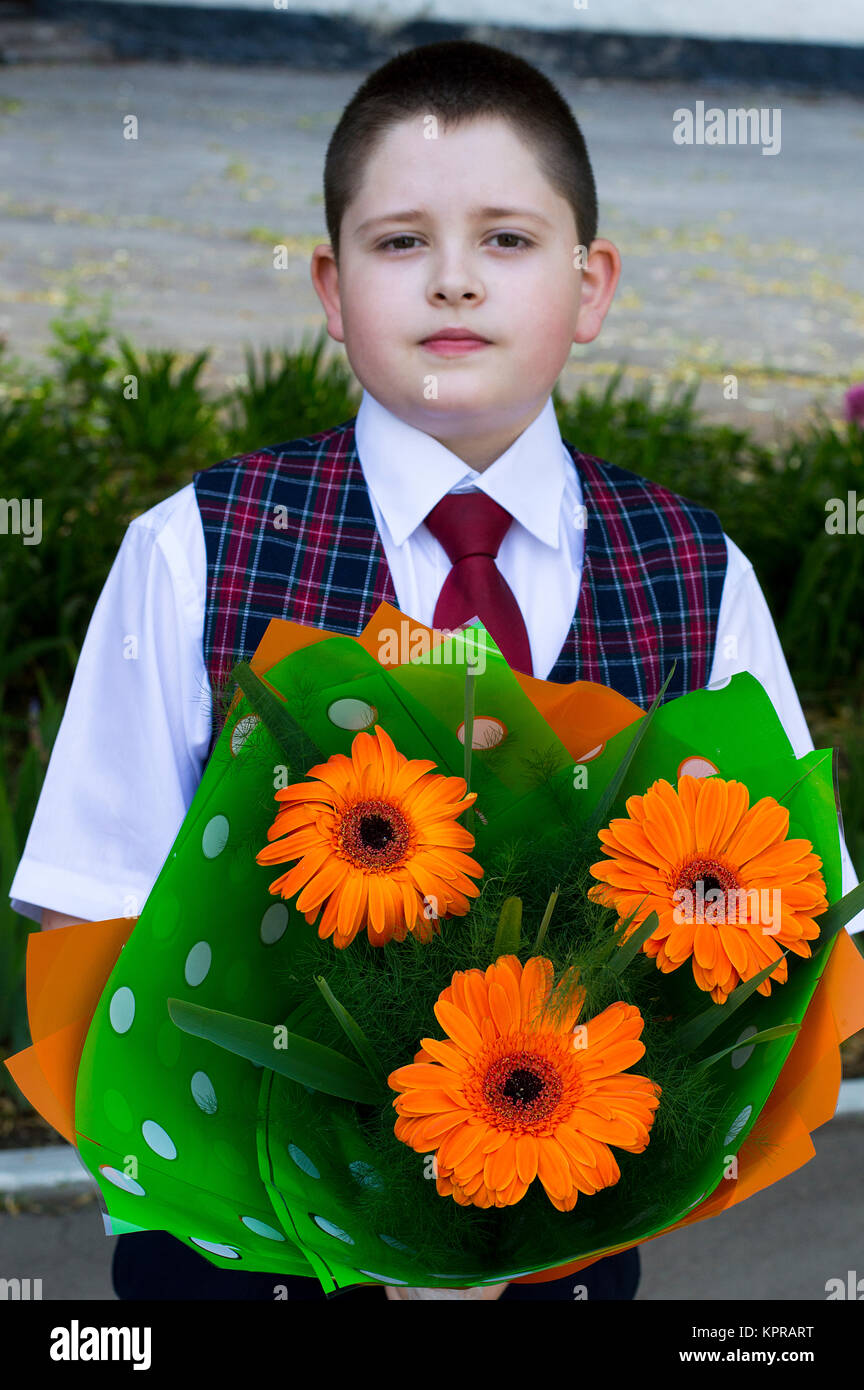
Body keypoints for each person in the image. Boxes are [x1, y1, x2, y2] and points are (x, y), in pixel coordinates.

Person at [11, 38, 863, 1302]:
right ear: (331, 286)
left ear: (592, 286)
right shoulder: (199, 548)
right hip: (236, 1249)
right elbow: (95, 902)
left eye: (509, 241)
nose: (454, 282)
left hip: (563, 1239)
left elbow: (792, 908)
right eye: (400, 241)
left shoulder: (692, 568)